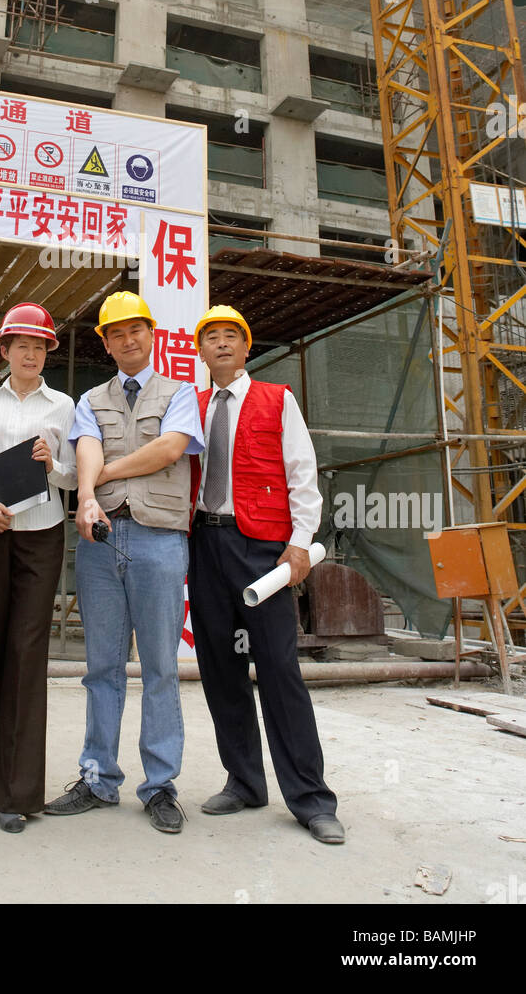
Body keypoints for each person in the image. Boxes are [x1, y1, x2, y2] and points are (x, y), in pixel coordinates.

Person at [44, 291, 204, 834]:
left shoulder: (180, 392)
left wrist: (105, 477)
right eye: (116, 333)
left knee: (160, 666)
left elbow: (168, 450)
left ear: (150, 334)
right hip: (102, 539)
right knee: (102, 667)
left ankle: (159, 785)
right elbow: (87, 448)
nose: (127, 339)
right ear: (106, 343)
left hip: (160, 540)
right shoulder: (91, 399)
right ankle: (97, 777)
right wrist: (87, 495)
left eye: (136, 329)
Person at [188, 304, 344, 844]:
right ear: (201, 351)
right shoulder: (195, 406)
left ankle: (311, 799)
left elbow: (303, 474)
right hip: (204, 543)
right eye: (212, 338)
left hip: (262, 549)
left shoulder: (278, 400)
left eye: (232, 336)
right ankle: (244, 781)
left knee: (278, 669)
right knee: (220, 667)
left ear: (246, 347)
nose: (222, 345)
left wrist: (299, 544)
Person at [0, 303, 76, 834]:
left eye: (39, 346)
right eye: (21, 345)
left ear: (47, 352)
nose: (30, 354)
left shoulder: (64, 406)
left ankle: (19, 792)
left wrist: (52, 464)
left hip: (42, 535)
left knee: (27, 654)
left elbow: (76, 478)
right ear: (5, 350)